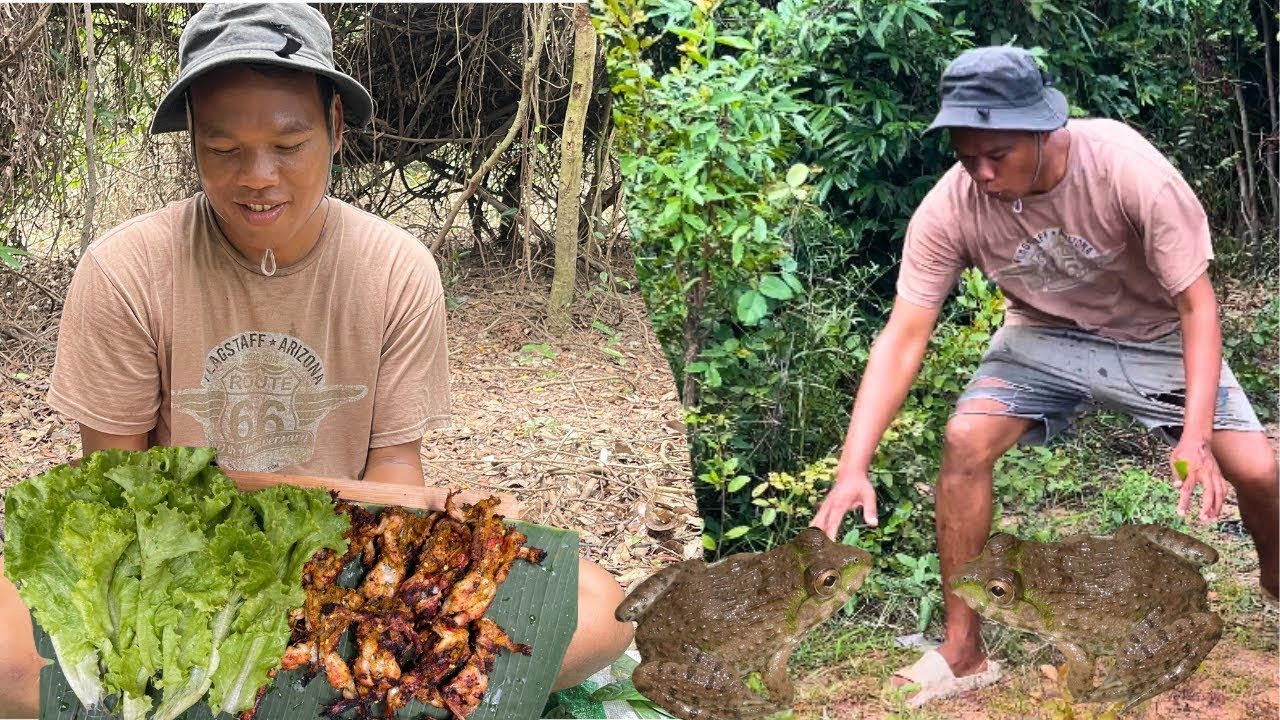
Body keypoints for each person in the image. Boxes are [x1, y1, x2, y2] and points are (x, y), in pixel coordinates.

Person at [0, 4, 632, 716]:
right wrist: (395, 502)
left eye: (289, 143)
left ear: (335, 127)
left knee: (600, 609)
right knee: (9, 659)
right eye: (224, 149)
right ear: (194, 146)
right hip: (170, 569)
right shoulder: (125, 269)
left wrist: (416, 520)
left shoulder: (396, 268)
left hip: (337, 563)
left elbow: (394, 471)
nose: (258, 176)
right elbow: (116, 491)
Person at [810, 45, 1278, 707]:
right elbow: (903, 335)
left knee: (1258, 472)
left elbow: (1197, 304)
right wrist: (852, 465)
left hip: (1156, 338)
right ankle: (964, 651)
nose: (981, 172)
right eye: (966, 156)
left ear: (1043, 129)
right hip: (1041, 340)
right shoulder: (952, 207)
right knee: (963, 441)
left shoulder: (1125, 167)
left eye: (996, 155)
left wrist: (1195, 435)